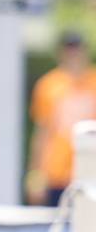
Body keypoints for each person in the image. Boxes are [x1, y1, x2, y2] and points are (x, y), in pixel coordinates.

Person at [27, 30, 96, 206]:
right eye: (69, 49)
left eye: (77, 48)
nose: (74, 54)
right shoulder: (48, 85)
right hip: (56, 174)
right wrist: (36, 174)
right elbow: (42, 132)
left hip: (90, 171)